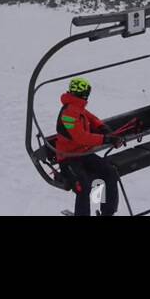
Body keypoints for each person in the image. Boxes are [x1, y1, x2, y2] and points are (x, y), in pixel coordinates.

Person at [55, 77, 124, 216]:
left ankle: (108, 212)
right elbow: (80, 137)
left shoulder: (78, 107)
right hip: (69, 158)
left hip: (83, 154)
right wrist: (106, 138)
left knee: (110, 172)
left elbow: (92, 118)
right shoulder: (68, 113)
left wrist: (103, 128)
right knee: (83, 186)